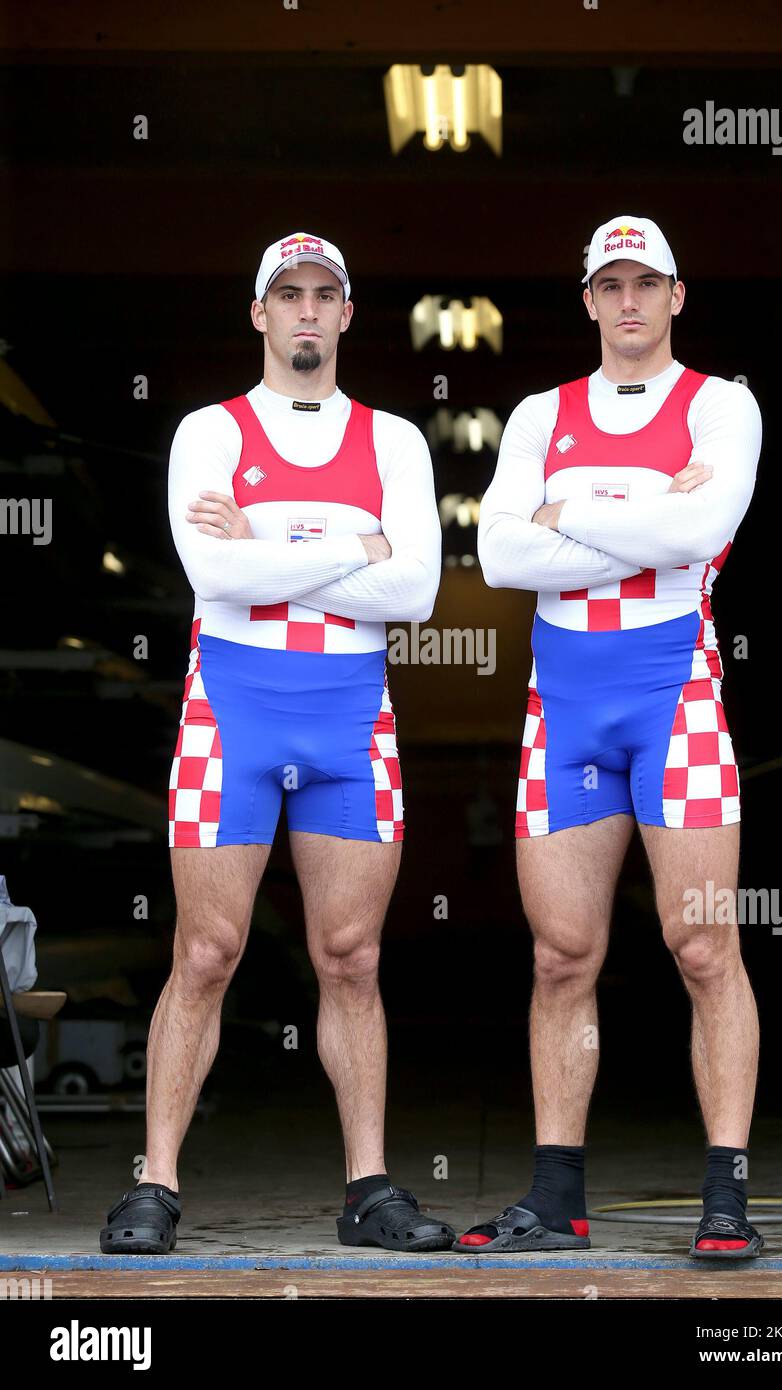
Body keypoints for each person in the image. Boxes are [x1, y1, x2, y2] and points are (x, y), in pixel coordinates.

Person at [100, 231, 452, 1254]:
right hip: (232, 707)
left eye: (323, 296)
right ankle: (155, 1182)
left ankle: (370, 1188)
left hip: (351, 712)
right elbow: (215, 577)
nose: (305, 310)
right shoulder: (208, 430)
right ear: (258, 313)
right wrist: (354, 545)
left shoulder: (392, 442)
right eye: (286, 294)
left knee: (350, 955)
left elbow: (416, 592)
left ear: (346, 315)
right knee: (205, 949)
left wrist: (265, 539)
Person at [462, 216, 763, 1259]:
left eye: (646, 281)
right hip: (565, 709)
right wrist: (638, 508)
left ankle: (723, 1192)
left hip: (674, 699)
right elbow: (497, 557)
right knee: (559, 955)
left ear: (676, 294)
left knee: (702, 946)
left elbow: (696, 534)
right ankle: (555, 1197)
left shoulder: (720, 406)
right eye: (608, 284)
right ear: (586, 299)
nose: (627, 299)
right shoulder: (541, 413)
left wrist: (565, 516)